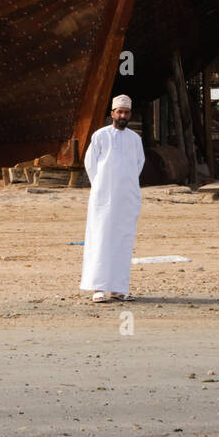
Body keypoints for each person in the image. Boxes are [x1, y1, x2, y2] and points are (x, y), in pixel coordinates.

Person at [80, 94, 145, 303]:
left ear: (130, 114)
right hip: (103, 199)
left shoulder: (135, 139)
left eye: (126, 112)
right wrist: (102, 186)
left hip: (126, 199)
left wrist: (125, 188)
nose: (123, 115)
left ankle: (118, 289)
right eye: (120, 112)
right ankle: (98, 288)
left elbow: (138, 165)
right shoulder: (100, 136)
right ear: (112, 114)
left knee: (122, 242)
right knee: (100, 239)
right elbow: (91, 165)